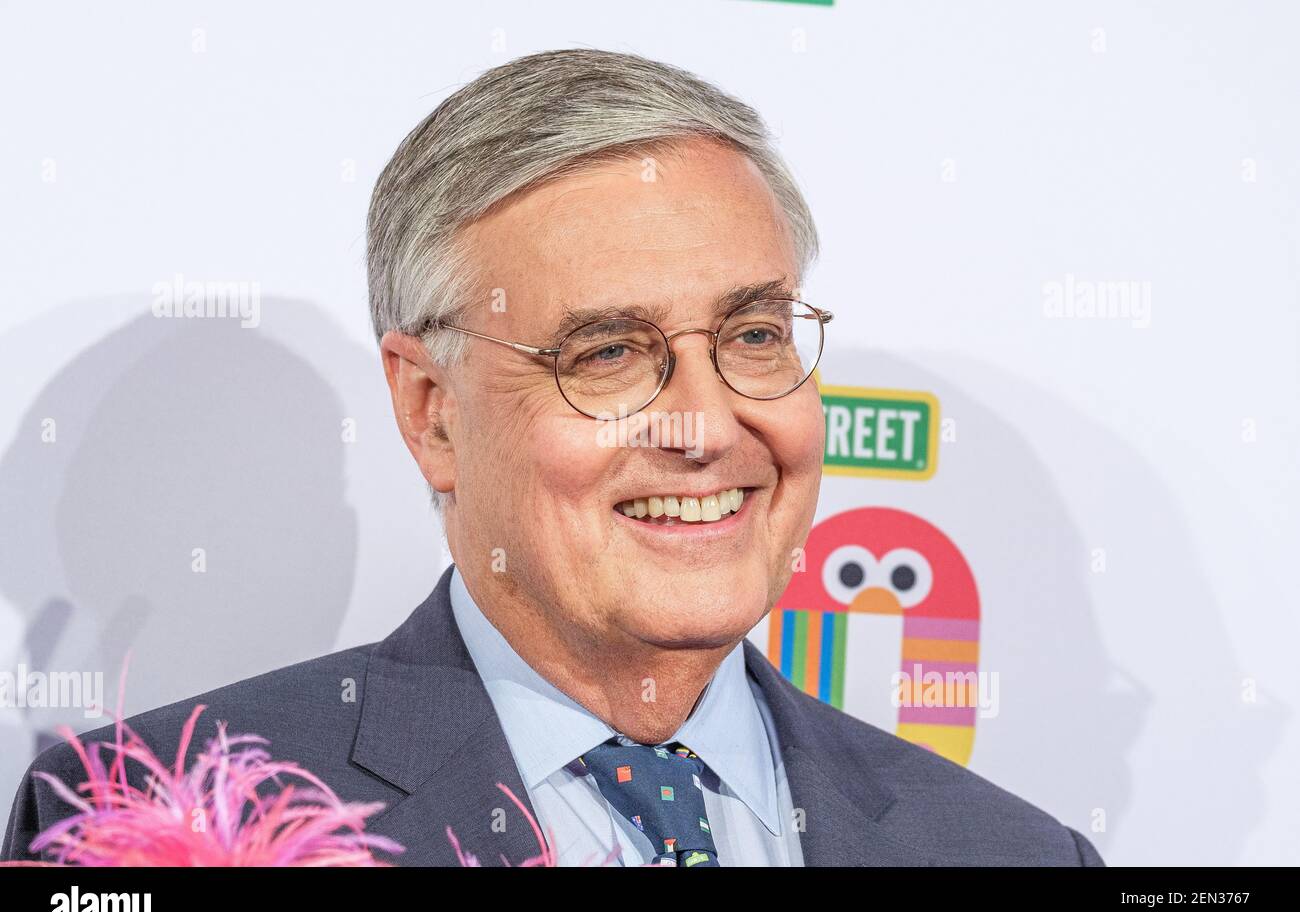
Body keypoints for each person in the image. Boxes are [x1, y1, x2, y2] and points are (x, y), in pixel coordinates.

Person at [3, 48, 1102, 867]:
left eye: (754, 335)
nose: (707, 424)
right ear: (431, 409)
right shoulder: (160, 819)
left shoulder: (1012, 853)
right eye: (610, 352)